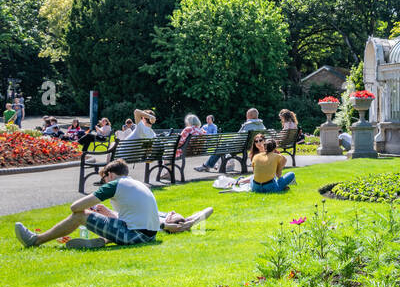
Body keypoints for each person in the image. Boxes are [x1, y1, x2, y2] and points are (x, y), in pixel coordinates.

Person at [14, 159, 162, 249]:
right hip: (150, 235)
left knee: (81, 215)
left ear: (109, 174)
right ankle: (100, 241)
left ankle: (36, 240)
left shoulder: (114, 184)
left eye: (104, 179)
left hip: (134, 235)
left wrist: (89, 211)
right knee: (101, 219)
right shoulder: (137, 183)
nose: (104, 182)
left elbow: (75, 207)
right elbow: (132, 216)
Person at [197, 108, 265, 172]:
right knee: (222, 146)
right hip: (250, 146)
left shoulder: (248, 125)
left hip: (239, 146)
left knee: (221, 146)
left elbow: (239, 138)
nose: (246, 116)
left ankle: (207, 165)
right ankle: (208, 165)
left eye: (247, 114)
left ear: (250, 115)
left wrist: (231, 141)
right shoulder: (262, 125)